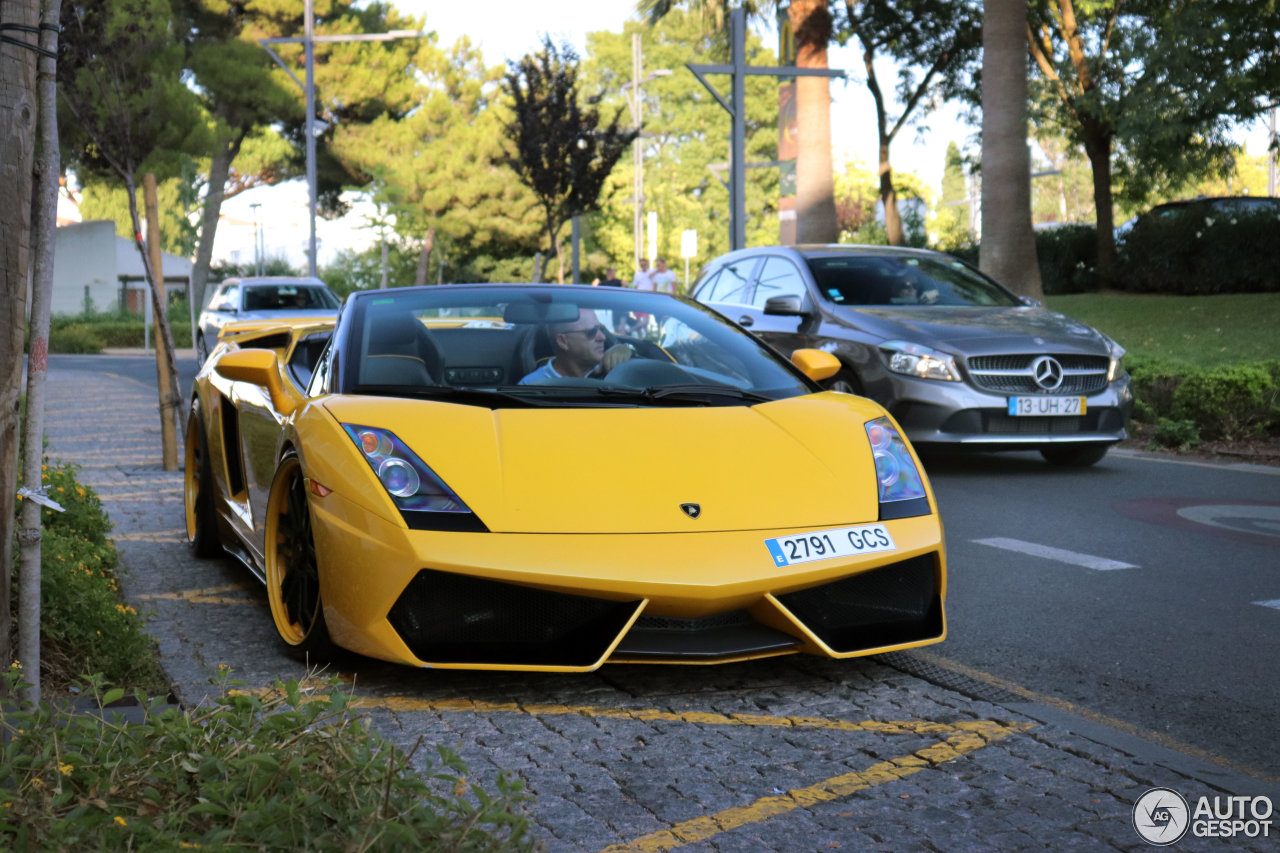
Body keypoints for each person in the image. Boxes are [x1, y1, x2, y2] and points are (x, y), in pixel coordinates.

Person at [519, 308, 635, 383]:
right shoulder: (530, 386)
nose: (602, 337)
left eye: (601, 329)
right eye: (591, 332)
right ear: (563, 342)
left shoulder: (614, 370)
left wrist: (630, 351)